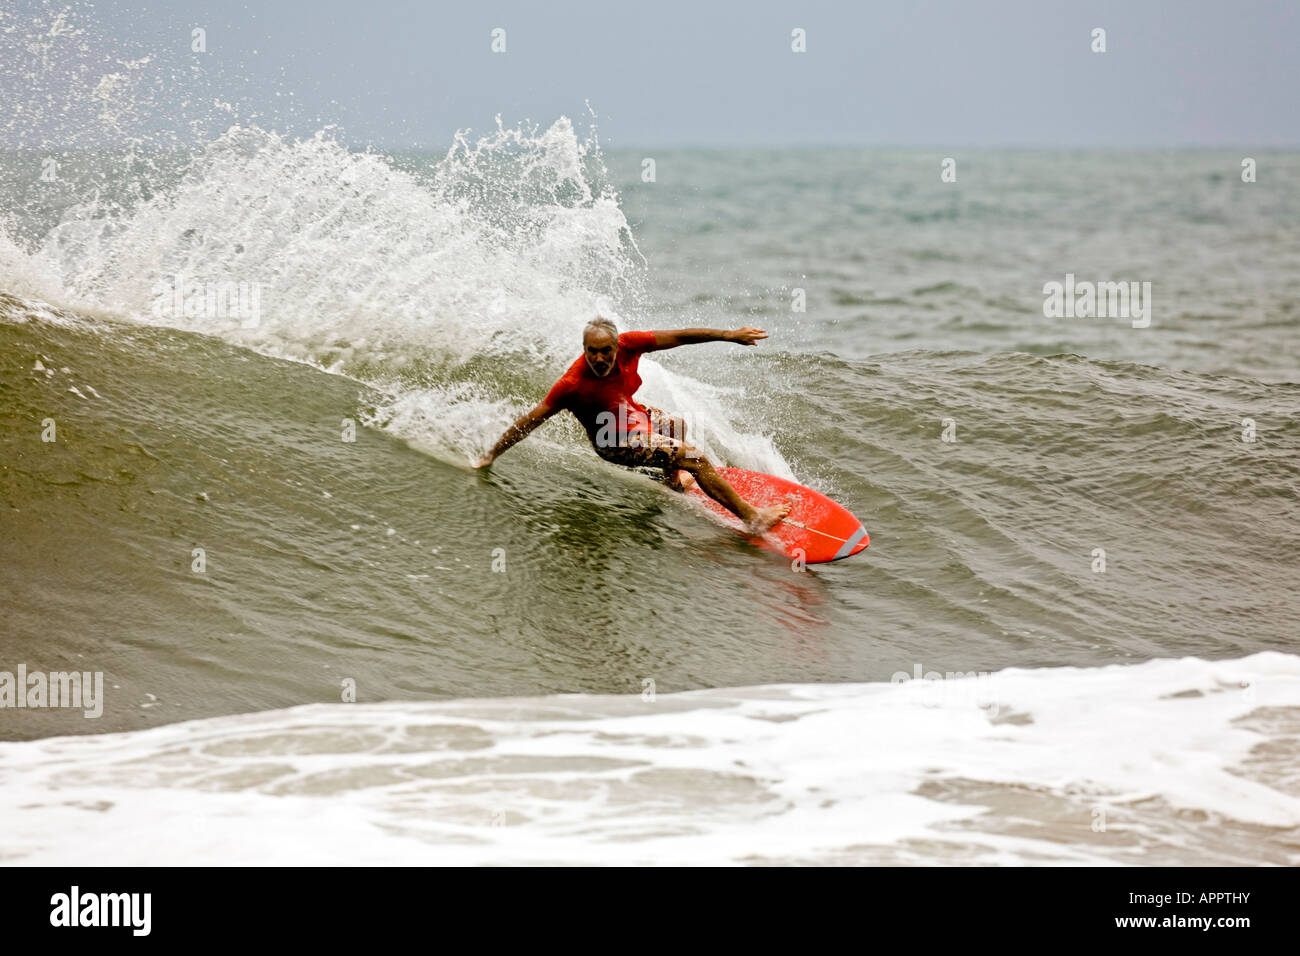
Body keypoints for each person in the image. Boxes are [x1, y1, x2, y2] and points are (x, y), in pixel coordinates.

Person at [474, 317, 790, 534]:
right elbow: (528, 423)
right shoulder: (571, 385)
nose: (599, 358)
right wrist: (490, 455)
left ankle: (672, 483)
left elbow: (680, 337)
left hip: (632, 415)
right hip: (614, 441)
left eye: (605, 350)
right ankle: (753, 518)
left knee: (675, 424)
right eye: (591, 351)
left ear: (616, 346)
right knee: (694, 457)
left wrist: (728, 335)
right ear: (584, 349)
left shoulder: (630, 344)